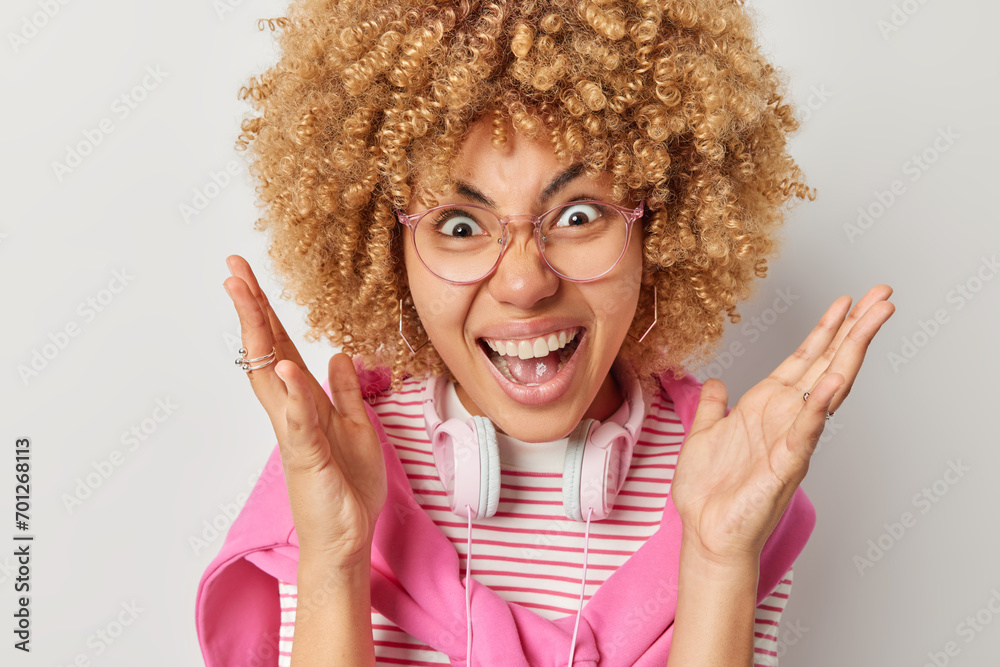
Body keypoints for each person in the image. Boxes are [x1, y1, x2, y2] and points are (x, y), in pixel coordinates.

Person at [195, 1, 895, 665]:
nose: (525, 282)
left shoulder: (731, 474)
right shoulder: (336, 464)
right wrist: (336, 555)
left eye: (580, 214)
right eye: (461, 226)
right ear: (388, 246)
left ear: (660, 225)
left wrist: (716, 563)